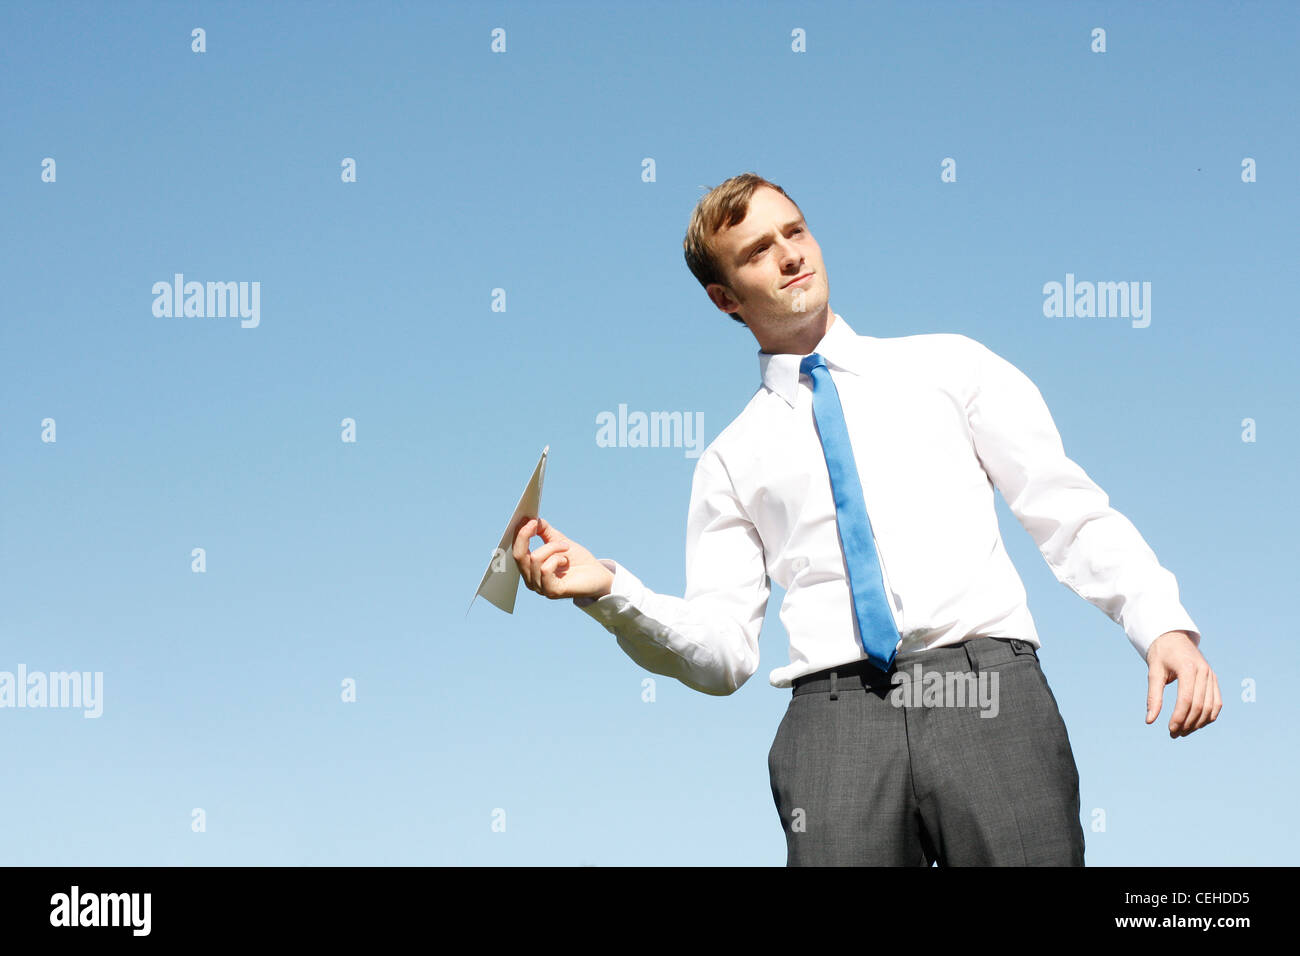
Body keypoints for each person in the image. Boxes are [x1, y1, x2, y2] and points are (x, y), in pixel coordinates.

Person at [510, 172, 1221, 866]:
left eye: (795, 231)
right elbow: (724, 653)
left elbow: (1065, 508)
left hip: (986, 693)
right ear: (724, 297)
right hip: (833, 724)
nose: (790, 254)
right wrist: (610, 592)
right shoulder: (728, 461)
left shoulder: (947, 365)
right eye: (758, 250)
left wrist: (1159, 621)